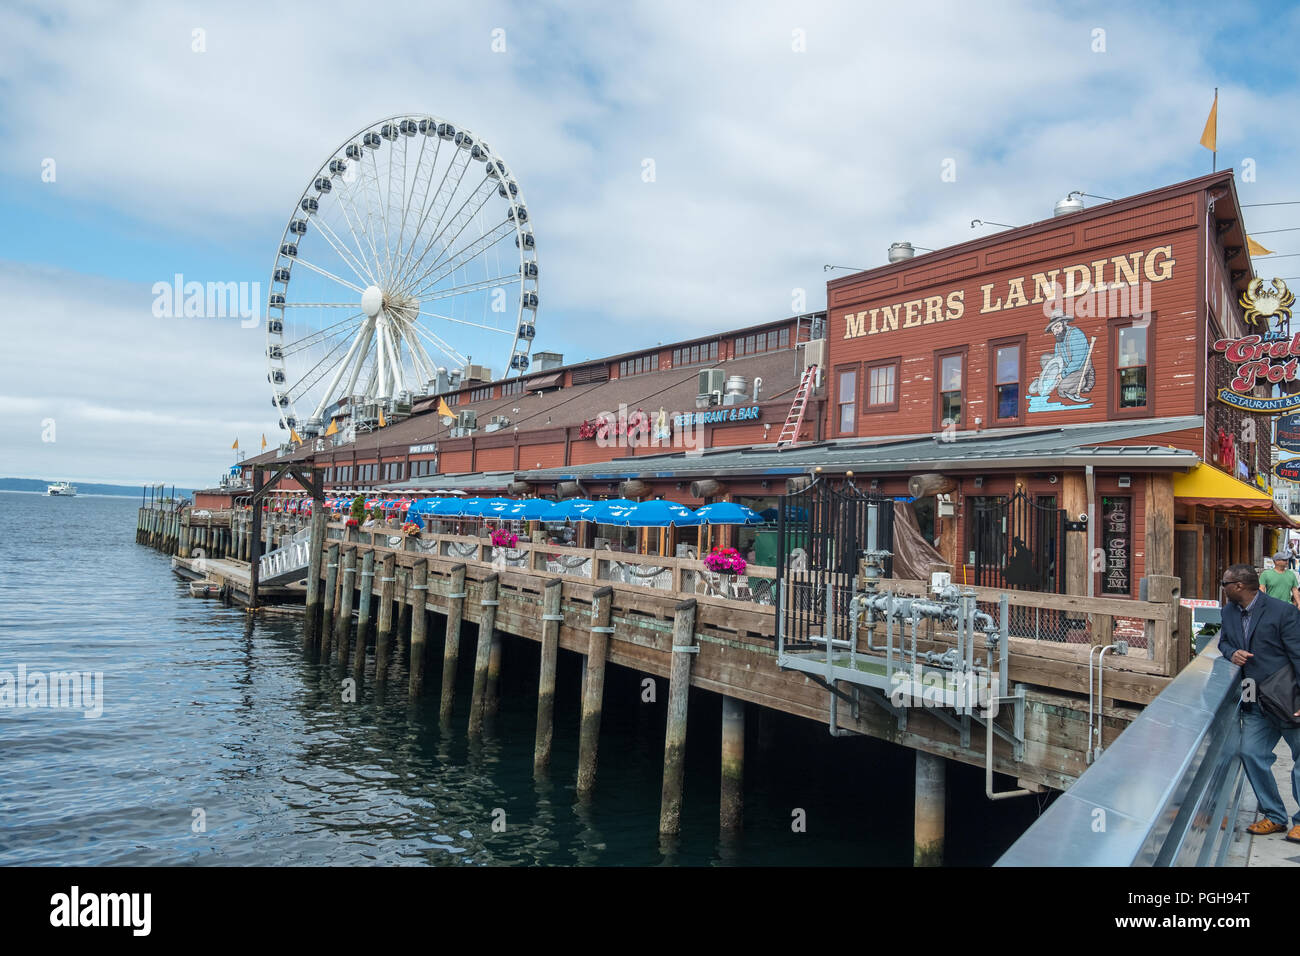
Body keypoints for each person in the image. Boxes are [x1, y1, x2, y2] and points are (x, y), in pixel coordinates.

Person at [1217, 563, 1300, 841]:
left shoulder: (1283, 612)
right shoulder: (1228, 611)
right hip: (1254, 698)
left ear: (1239, 585)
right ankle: (1275, 816)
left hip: (1289, 699)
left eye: (1225, 583)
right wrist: (1232, 653)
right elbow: (1224, 642)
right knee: (1251, 753)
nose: (1223, 588)